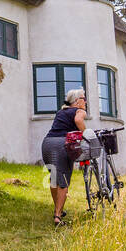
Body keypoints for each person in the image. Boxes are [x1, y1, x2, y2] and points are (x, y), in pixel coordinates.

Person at [41, 88, 87, 226]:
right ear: (77, 101)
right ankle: (57, 216)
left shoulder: (61, 112)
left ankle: (58, 210)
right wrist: (86, 135)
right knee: (64, 180)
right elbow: (79, 120)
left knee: (54, 178)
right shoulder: (79, 111)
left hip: (47, 143)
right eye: (84, 99)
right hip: (62, 144)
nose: (85, 102)